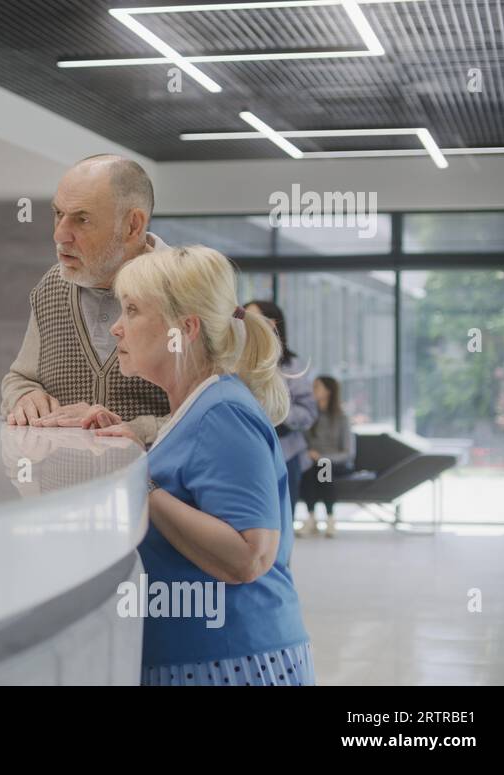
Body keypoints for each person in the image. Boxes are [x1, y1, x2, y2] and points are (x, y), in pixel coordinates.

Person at [82, 245, 313, 685]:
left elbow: (250, 555)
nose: (116, 328)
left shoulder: (222, 412)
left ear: (183, 329)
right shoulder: (196, 406)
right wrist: (132, 446)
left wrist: (141, 487)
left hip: (229, 661)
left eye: (131, 311)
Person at [0, 154, 171, 442]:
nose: (60, 235)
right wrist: (24, 395)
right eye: (58, 214)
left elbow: (231, 410)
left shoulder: (188, 290)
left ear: (132, 226)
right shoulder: (52, 286)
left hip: (155, 484)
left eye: (82, 219)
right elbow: (20, 376)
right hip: (69, 485)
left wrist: (139, 430)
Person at [244, 300, 317, 524]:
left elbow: (309, 412)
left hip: (286, 453)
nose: (245, 324)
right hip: (249, 451)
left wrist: (278, 413)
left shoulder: (292, 366)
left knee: (283, 523)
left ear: (272, 323)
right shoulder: (235, 362)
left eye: (252, 318)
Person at [301, 376, 355, 538]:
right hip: (315, 463)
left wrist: (323, 457)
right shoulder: (311, 417)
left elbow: (348, 453)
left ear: (328, 392)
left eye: (317, 387)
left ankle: (330, 519)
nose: (312, 390)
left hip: (337, 463)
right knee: (309, 469)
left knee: (324, 467)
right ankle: (311, 518)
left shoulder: (341, 418)